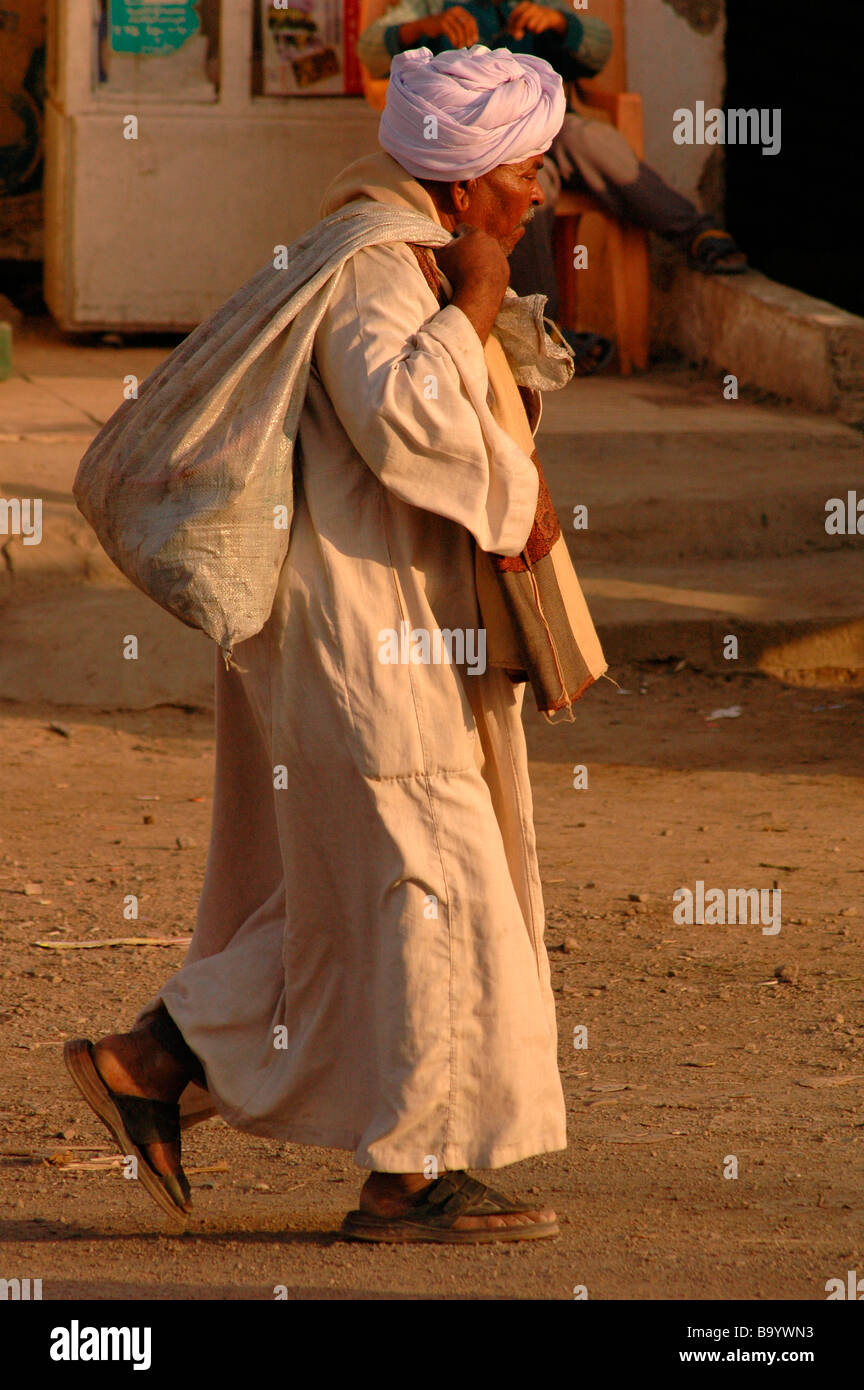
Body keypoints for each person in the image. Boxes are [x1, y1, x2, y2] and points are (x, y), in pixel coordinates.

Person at [64, 45, 604, 1244]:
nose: (536, 196)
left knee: (367, 889)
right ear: (466, 187)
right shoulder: (372, 267)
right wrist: (471, 306)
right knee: (428, 885)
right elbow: (409, 421)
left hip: (398, 629)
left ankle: (150, 1062)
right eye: (524, 173)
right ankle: (406, 1179)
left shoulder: (404, 255)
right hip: (364, 640)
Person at [358, 0, 747, 335]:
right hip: (493, 155)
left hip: (554, 133)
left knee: (593, 140)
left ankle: (695, 231)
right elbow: (371, 50)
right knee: (533, 198)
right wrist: (421, 28)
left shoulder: (533, 3)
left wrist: (560, 23)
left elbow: (598, 51)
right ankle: (546, 327)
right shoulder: (432, 4)